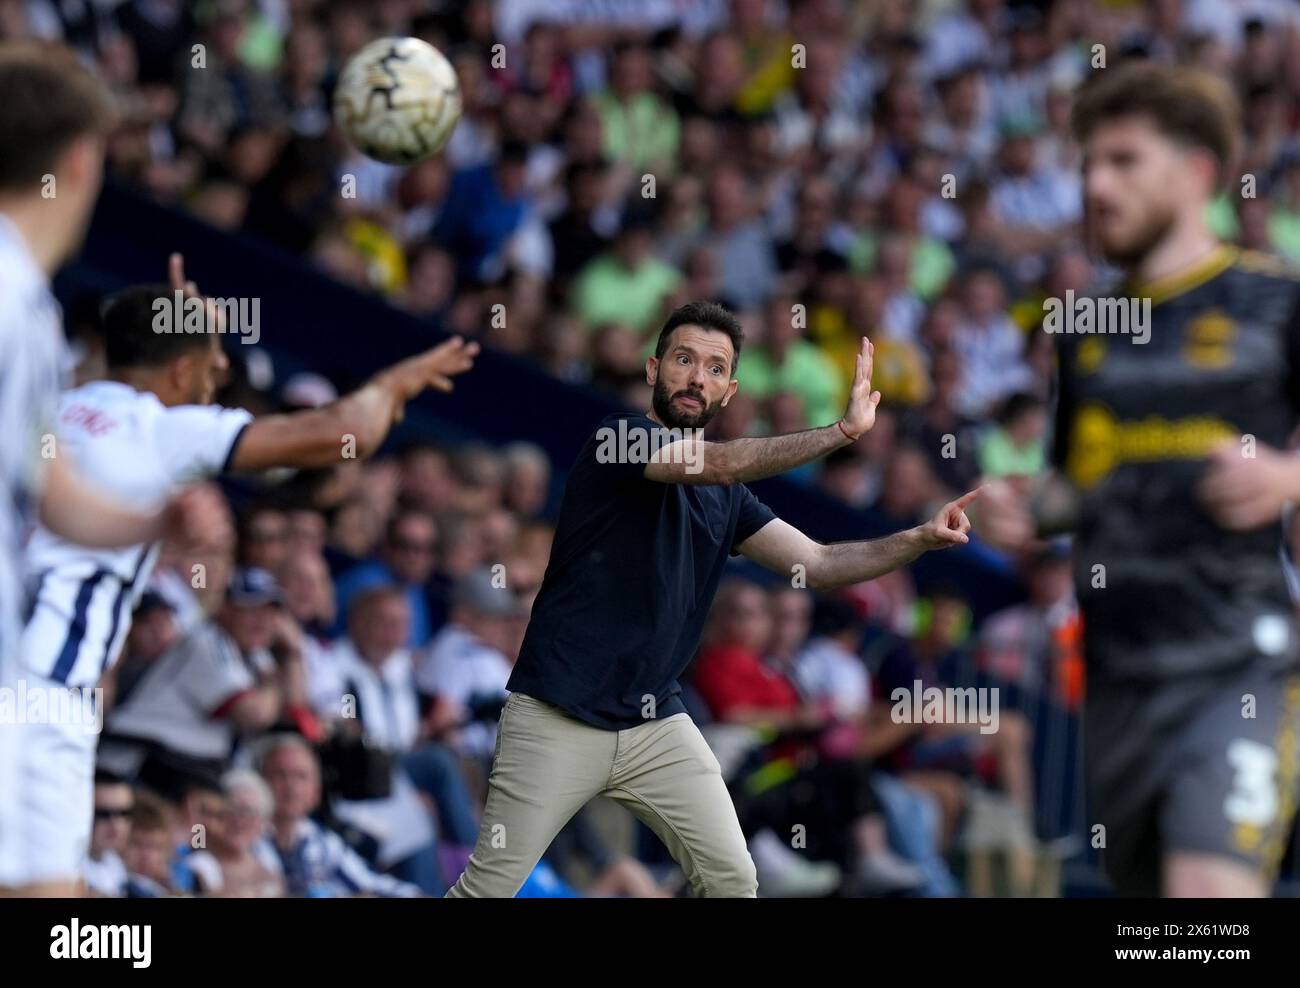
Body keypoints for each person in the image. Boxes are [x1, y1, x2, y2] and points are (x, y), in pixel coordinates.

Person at [447, 300, 980, 897]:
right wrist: (840, 433)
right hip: (556, 713)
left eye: (715, 368)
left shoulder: (727, 499)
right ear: (653, 371)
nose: (698, 377)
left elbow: (821, 563)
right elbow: (717, 464)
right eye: (684, 360)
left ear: (730, 390)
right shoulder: (616, 439)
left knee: (731, 881)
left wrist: (917, 539)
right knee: (487, 890)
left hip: (655, 724)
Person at [14, 255, 477, 896]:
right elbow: (341, 434)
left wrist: (174, 323)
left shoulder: (58, 404)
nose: (224, 371)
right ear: (179, 370)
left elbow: (126, 353)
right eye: (212, 361)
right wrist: (392, 385)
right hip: (45, 696)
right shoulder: (163, 429)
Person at [974, 60, 1300, 897]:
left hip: (1237, 661)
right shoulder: (1086, 329)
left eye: (1122, 161)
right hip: (1116, 678)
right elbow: (1075, 483)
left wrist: (1289, 474)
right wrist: (1024, 508)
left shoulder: (1276, 301)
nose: (1095, 185)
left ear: (1196, 172)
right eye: (1087, 164)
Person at [0, 43, 225, 898]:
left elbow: (54, 492)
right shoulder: (8, 294)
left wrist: (153, 523)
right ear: (81, 160)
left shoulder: (31, 308)